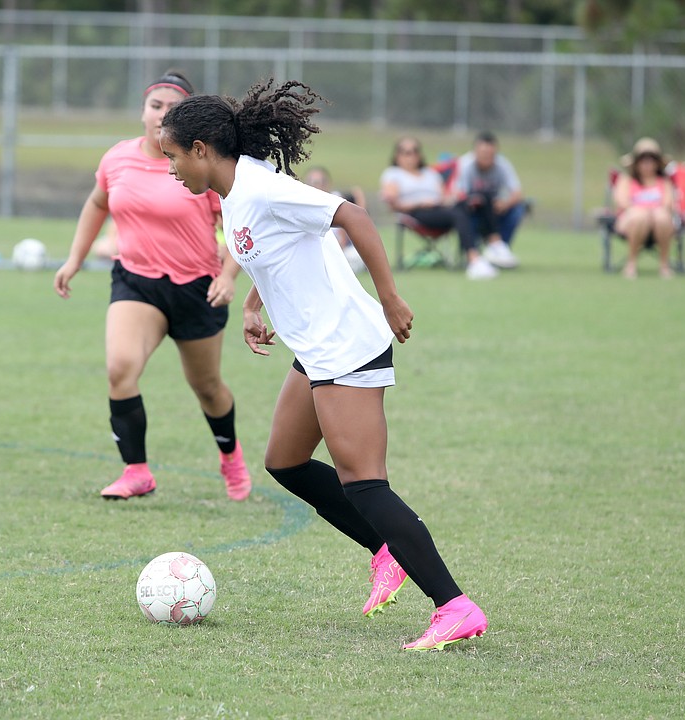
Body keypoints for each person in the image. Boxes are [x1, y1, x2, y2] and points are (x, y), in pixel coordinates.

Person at [159, 79, 487, 651]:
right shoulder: (237, 195)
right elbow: (271, 250)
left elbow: (352, 217)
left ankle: (454, 605)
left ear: (202, 149)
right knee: (285, 461)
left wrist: (390, 297)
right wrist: (257, 305)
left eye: (173, 156)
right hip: (315, 347)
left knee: (364, 484)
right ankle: (387, 552)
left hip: (346, 344)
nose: (170, 168)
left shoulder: (260, 188)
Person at [53, 70, 251, 502]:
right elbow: (96, 204)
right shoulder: (117, 159)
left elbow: (240, 223)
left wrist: (227, 274)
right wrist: (75, 258)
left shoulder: (201, 162)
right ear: (143, 111)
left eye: (172, 107)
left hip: (197, 287)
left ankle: (230, 455)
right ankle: (136, 471)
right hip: (136, 282)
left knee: (207, 387)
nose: (161, 114)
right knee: (120, 368)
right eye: (155, 105)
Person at [379, 137, 498, 280]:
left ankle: (495, 245)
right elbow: (394, 203)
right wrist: (421, 203)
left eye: (415, 151)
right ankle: (474, 259)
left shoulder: (430, 173)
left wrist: (452, 198)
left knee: (478, 199)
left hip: (441, 208)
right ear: (397, 156)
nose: (411, 156)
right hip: (417, 212)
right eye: (406, 152)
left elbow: (444, 195)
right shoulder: (393, 174)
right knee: (458, 214)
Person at [453, 131, 525, 269]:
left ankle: (499, 248)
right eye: (482, 153)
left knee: (517, 209)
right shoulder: (465, 164)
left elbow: (517, 192)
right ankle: (481, 253)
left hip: (494, 208)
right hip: (472, 211)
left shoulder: (502, 165)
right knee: (477, 202)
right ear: (475, 152)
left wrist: (506, 203)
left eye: (490, 154)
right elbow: (459, 194)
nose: (486, 157)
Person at [613, 137, 676, 279]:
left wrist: (653, 212)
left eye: (651, 160)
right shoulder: (627, 180)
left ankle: (664, 264)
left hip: (659, 221)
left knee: (661, 216)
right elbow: (623, 202)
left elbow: (668, 203)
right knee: (639, 216)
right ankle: (631, 263)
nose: (647, 164)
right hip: (632, 220)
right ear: (636, 163)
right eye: (643, 160)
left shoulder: (664, 182)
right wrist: (644, 211)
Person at [302, 165, 367, 273]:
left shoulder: (335, 200)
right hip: (313, 252)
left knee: (355, 256)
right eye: (311, 182)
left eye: (318, 182)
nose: (315, 186)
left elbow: (344, 234)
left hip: (339, 251)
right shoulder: (302, 203)